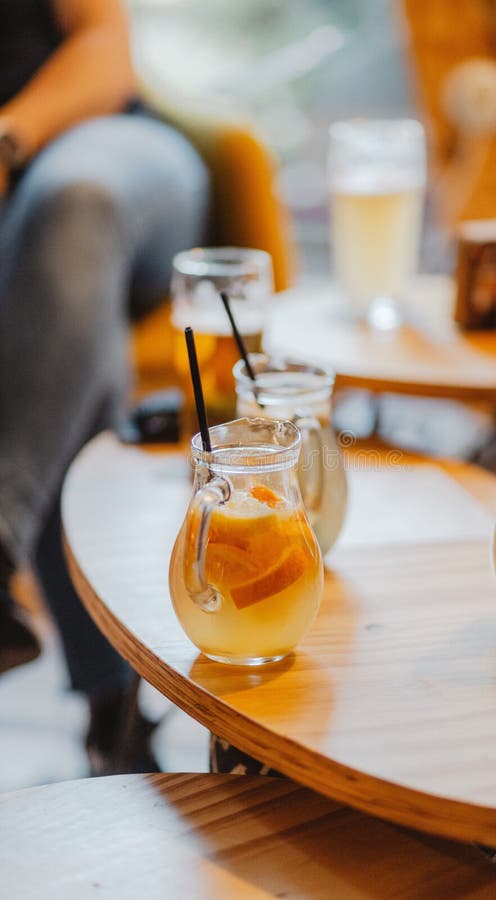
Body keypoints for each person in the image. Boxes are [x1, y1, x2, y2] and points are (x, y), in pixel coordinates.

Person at [0, 0, 209, 772]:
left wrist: (8, 137)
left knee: (71, 208)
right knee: (68, 336)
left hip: (99, 147)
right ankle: (113, 716)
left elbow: (105, 44)